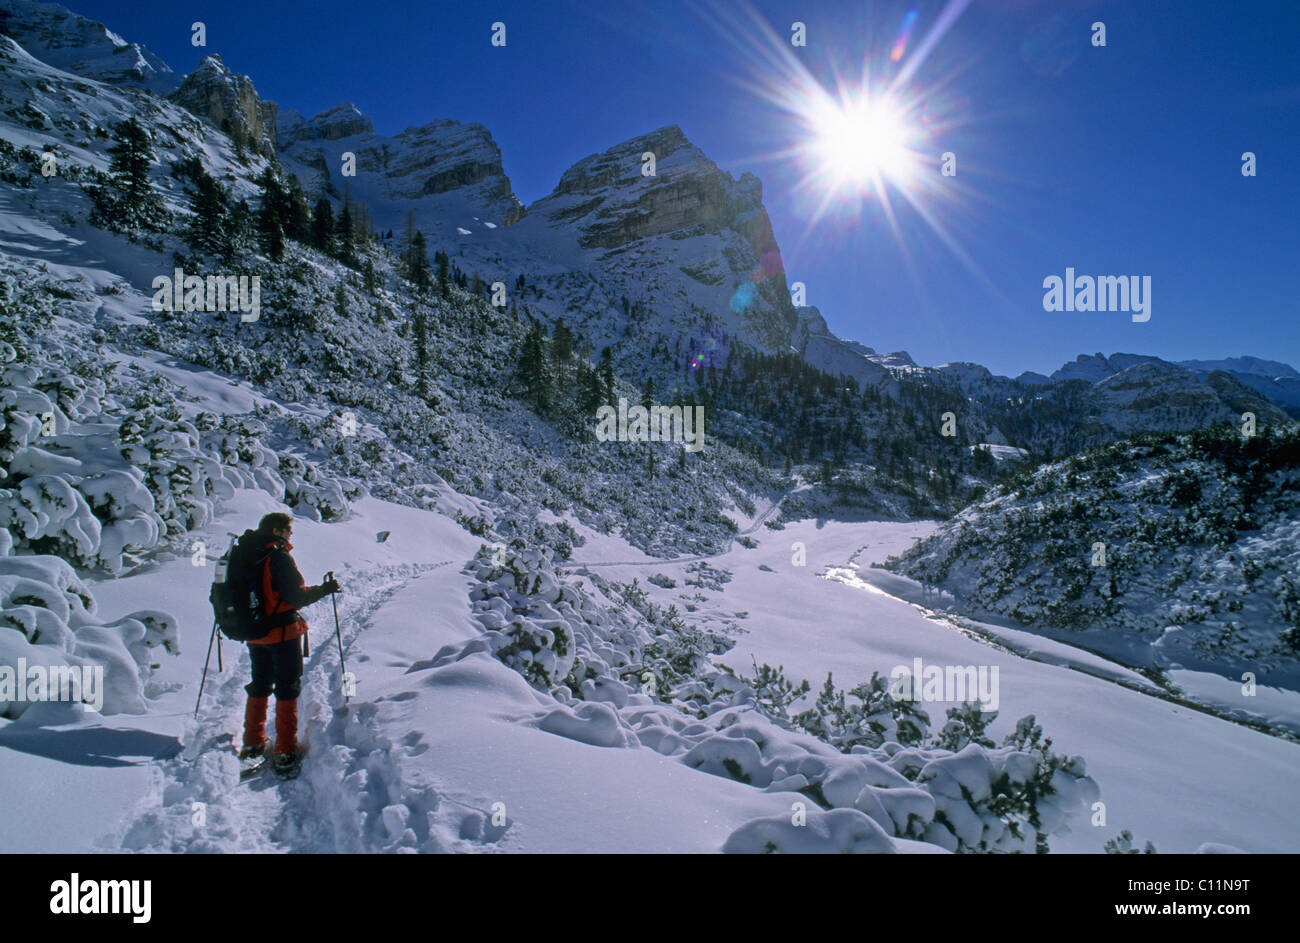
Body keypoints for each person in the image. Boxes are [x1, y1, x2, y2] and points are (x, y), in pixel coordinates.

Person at [238, 512, 340, 775]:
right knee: (287, 687)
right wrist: (324, 590)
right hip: (282, 633)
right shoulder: (277, 556)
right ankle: (285, 751)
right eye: (288, 531)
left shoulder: (243, 553)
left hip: (253, 633)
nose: (290, 535)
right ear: (277, 530)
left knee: (259, 683)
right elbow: (295, 596)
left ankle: (252, 743)